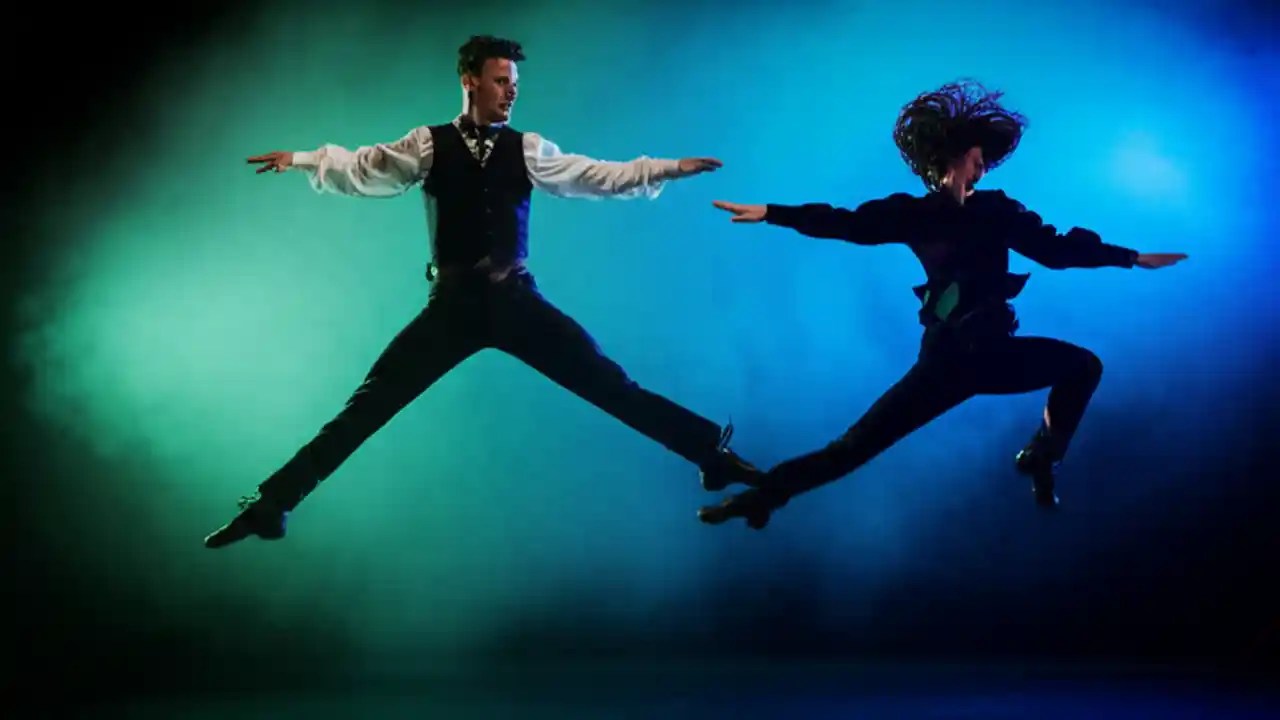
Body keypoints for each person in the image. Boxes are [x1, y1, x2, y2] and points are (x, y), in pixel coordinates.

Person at [204, 35, 761, 548]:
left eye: (515, 84)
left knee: (611, 385)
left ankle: (709, 453)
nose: (510, 91)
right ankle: (271, 504)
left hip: (516, 302)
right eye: (500, 81)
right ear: (470, 80)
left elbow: (593, 175)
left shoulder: (528, 147)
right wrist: (303, 159)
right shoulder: (428, 144)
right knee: (366, 408)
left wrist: (666, 168)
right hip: (453, 308)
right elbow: (365, 166)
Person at [698, 80, 1187, 529]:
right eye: (977, 158)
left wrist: (1130, 258)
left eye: (984, 162)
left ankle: (1041, 456)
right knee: (850, 449)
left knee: (1083, 366)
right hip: (945, 360)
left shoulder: (996, 211)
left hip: (995, 354)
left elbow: (1055, 250)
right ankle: (761, 497)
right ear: (956, 154)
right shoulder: (914, 215)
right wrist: (771, 213)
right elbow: (847, 223)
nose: (982, 166)